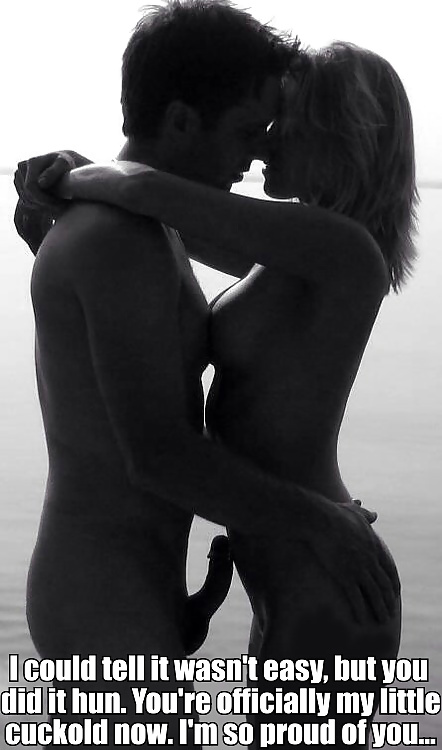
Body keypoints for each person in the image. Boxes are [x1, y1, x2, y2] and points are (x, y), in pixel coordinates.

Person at [18, 40, 415, 747]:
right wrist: (70, 214)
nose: (264, 145)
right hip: (294, 578)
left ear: (333, 137)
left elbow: (146, 193)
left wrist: (72, 173)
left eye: (285, 124)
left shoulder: (342, 249)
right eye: (259, 126)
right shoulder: (290, 252)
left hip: (326, 578)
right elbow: (154, 234)